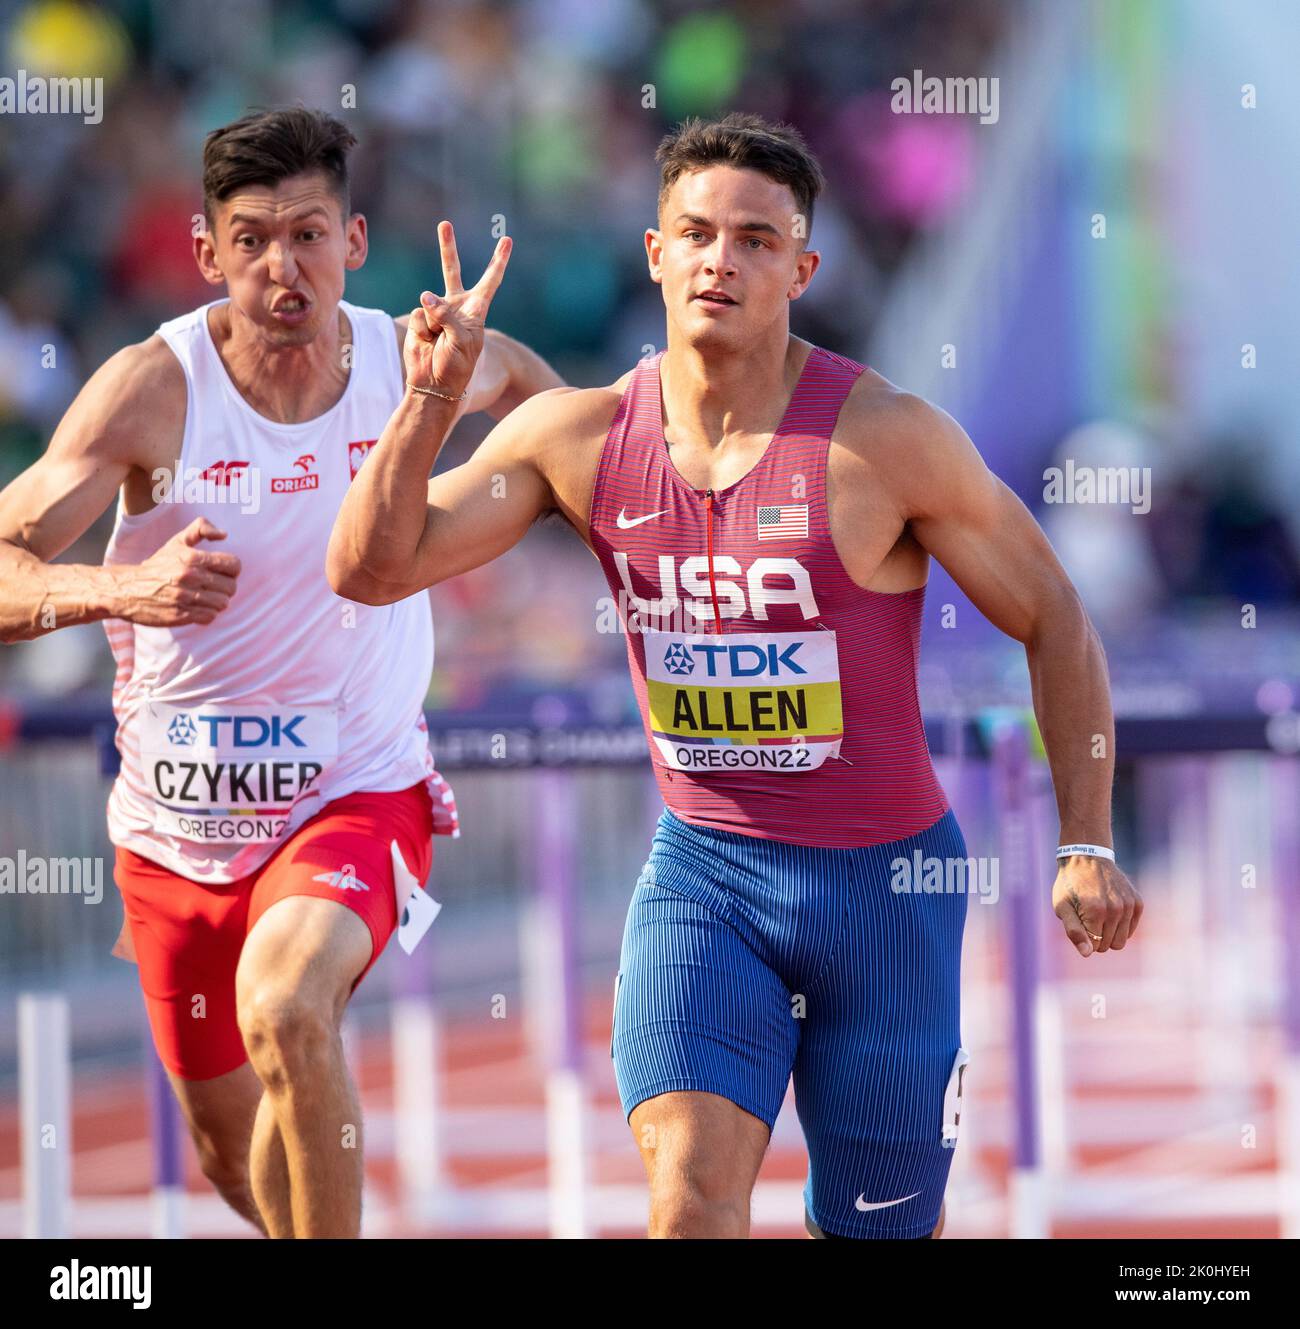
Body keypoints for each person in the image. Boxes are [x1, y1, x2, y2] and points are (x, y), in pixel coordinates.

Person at [327, 111, 1142, 1240]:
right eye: (697, 233)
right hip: (705, 881)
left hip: (884, 901)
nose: (723, 259)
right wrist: (425, 405)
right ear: (656, 253)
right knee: (691, 1197)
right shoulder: (577, 436)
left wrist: (1086, 841)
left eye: (757, 240)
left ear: (801, 269)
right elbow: (370, 568)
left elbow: (1054, 615)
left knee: (878, 1230)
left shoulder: (885, 441)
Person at [0, 107, 560, 1238]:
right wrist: (116, 591)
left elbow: (557, 419)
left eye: (307, 233)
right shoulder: (150, 389)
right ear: (206, 254)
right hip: (176, 834)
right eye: (249, 237)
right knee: (233, 1162)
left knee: (290, 1005)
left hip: (352, 792)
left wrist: (605, 540)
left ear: (353, 244)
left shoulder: (412, 357)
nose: (280, 264)